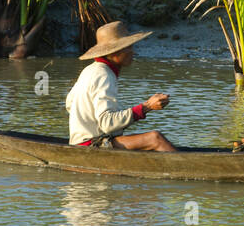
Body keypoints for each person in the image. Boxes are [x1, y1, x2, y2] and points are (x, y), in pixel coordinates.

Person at [66, 21, 176, 151]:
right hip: (91, 145)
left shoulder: (90, 70)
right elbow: (107, 123)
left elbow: (69, 103)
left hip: (84, 142)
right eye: (128, 47)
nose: (132, 52)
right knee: (155, 139)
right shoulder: (104, 75)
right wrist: (147, 107)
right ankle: (186, 169)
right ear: (114, 52)